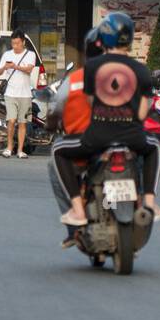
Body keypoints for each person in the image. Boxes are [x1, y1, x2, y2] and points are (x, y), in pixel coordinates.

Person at [50, 10, 160, 228]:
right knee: (155, 146)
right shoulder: (141, 70)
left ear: (104, 38)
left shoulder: (92, 68)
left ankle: (77, 210)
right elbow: (142, 113)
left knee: (57, 150)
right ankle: (150, 203)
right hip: (132, 137)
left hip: (97, 136)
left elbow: (92, 102)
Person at [47, 27, 105, 248]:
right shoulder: (122, 75)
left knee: (55, 165)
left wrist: (51, 126)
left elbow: (55, 112)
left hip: (84, 143)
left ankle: (74, 227)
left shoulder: (74, 80)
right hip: (122, 141)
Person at [0, 31, 37, 159]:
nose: (15, 46)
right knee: (11, 120)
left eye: (17, 43)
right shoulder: (7, 54)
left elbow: (29, 69)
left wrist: (15, 67)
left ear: (23, 42)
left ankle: (20, 150)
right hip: (10, 93)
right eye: (13, 43)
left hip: (25, 94)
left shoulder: (30, 54)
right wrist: (4, 67)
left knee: (22, 122)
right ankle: (9, 147)